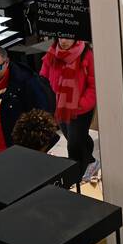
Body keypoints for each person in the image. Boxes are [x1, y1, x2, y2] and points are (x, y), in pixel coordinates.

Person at [0, 45, 54, 160]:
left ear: (7, 62)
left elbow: (42, 117)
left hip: (22, 153)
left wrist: (36, 150)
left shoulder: (26, 82)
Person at [41, 38, 98, 181]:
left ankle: (75, 176)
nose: (64, 41)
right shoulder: (53, 52)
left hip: (80, 109)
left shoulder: (87, 55)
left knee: (73, 145)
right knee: (73, 137)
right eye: (61, 37)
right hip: (60, 106)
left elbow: (93, 85)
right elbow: (43, 77)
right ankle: (91, 160)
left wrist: (81, 105)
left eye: (68, 38)